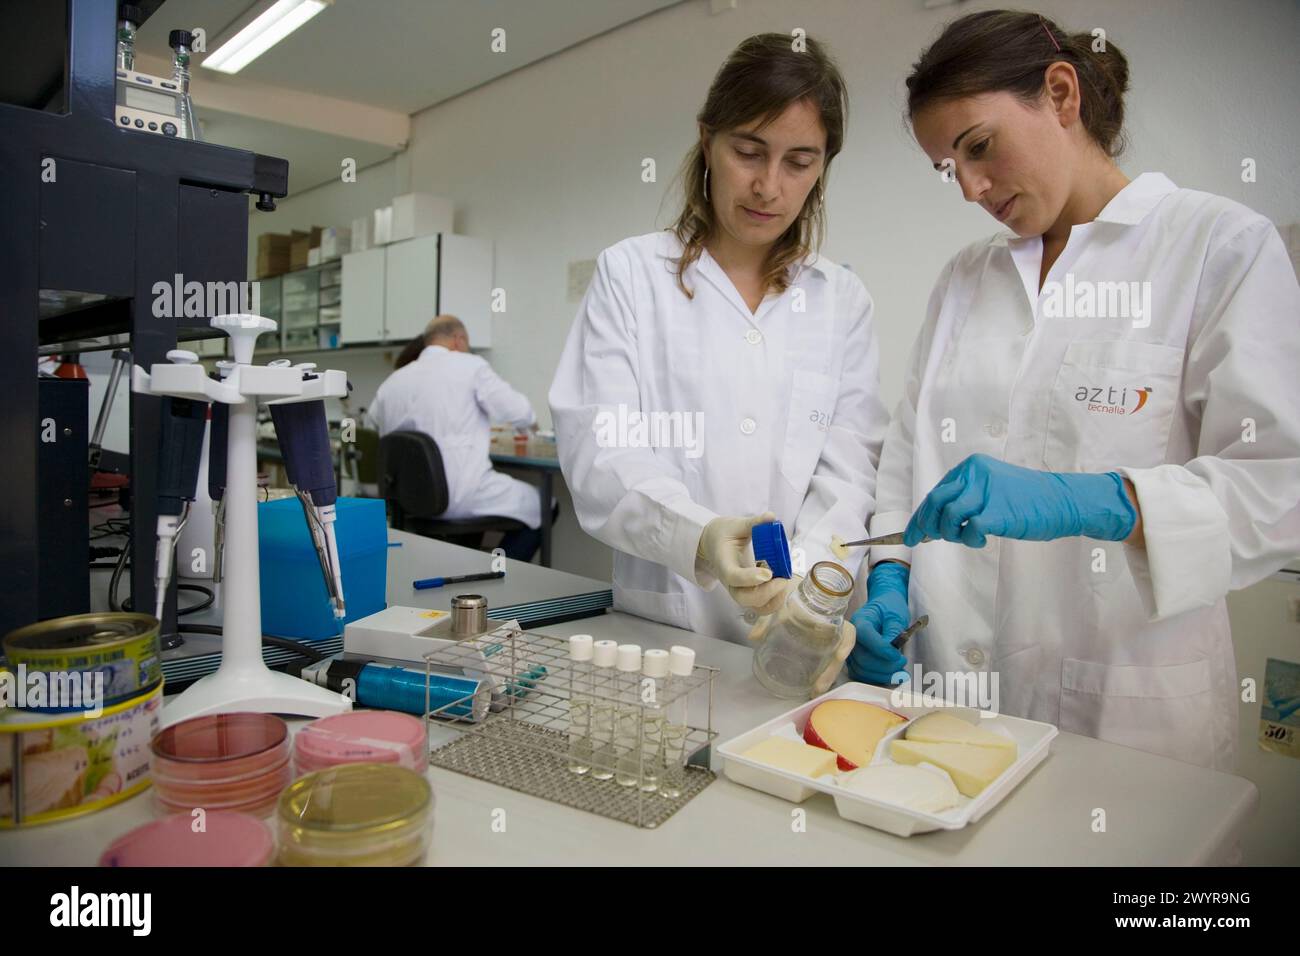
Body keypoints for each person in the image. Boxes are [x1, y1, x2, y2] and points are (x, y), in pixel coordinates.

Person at [849, 9, 1300, 770]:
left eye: (979, 148)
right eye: (948, 168)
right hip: (946, 699)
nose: (969, 188)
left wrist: (1098, 501)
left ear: (1061, 95)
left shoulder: (1216, 247)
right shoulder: (966, 278)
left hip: (1122, 715)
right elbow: (905, 458)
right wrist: (888, 576)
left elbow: (1279, 488)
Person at [550, 33, 889, 682]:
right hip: (666, 631)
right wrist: (701, 536)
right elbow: (603, 450)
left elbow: (850, 472)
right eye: (748, 151)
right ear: (708, 140)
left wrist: (810, 580)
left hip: (798, 635)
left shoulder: (841, 299)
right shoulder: (631, 274)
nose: (768, 186)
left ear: (823, 166)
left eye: (799, 161)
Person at [370, 315, 546, 561]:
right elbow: (520, 412)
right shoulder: (471, 366)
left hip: (409, 503)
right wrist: (532, 426)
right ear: (458, 339)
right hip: (461, 495)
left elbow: (372, 421)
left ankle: (469, 571)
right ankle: (498, 575)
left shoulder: (392, 382)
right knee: (544, 505)